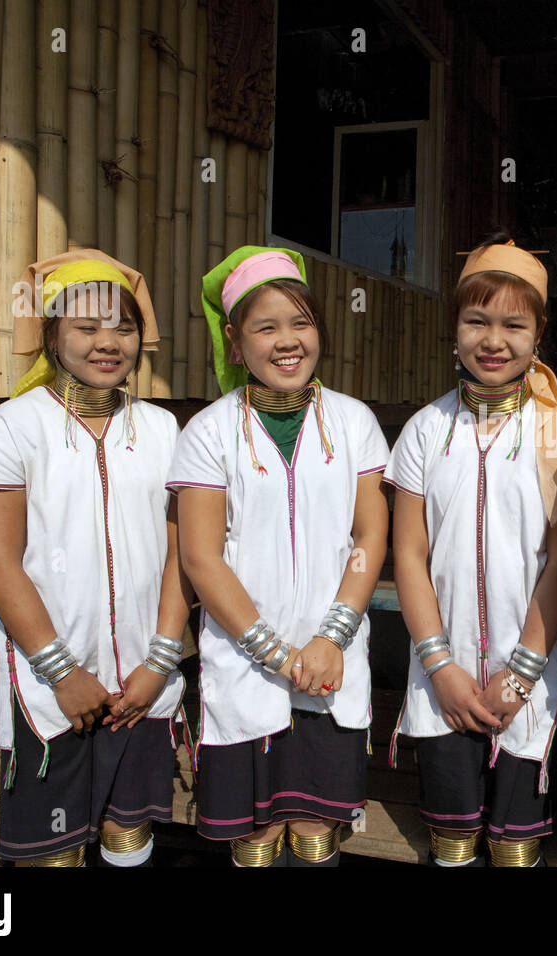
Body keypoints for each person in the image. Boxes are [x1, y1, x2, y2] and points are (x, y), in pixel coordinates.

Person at [0, 250, 189, 866]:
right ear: (52, 335)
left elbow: (180, 556)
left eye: (124, 327)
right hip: (50, 692)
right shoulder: (12, 429)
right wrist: (63, 673)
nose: (108, 342)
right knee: (51, 855)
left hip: (143, 686)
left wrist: (160, 663)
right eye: (87, 327)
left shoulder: (165, 432)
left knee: (129, 842)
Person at [169, 246, 389, 866]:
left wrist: (330, 639)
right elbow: (201, 557)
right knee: (255, 843)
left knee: (317, 839)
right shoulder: (209, 433)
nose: (288, 341)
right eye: (266, 327)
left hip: (331, 667)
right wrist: (277, 653)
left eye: (301, 323)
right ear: (236, 343)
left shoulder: (353, 423)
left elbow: (369, 539)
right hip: (247, 669)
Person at [385, 236, 557, 867]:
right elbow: (408, 554)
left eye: (512, 325)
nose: (493, 340)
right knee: (452, 841)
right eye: (477, 321)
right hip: (442, 677)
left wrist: (521, 674)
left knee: (516, 849)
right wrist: (440, 666)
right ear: (456, 327)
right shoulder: (424, 429)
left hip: (533, 680)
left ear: (538, 333)